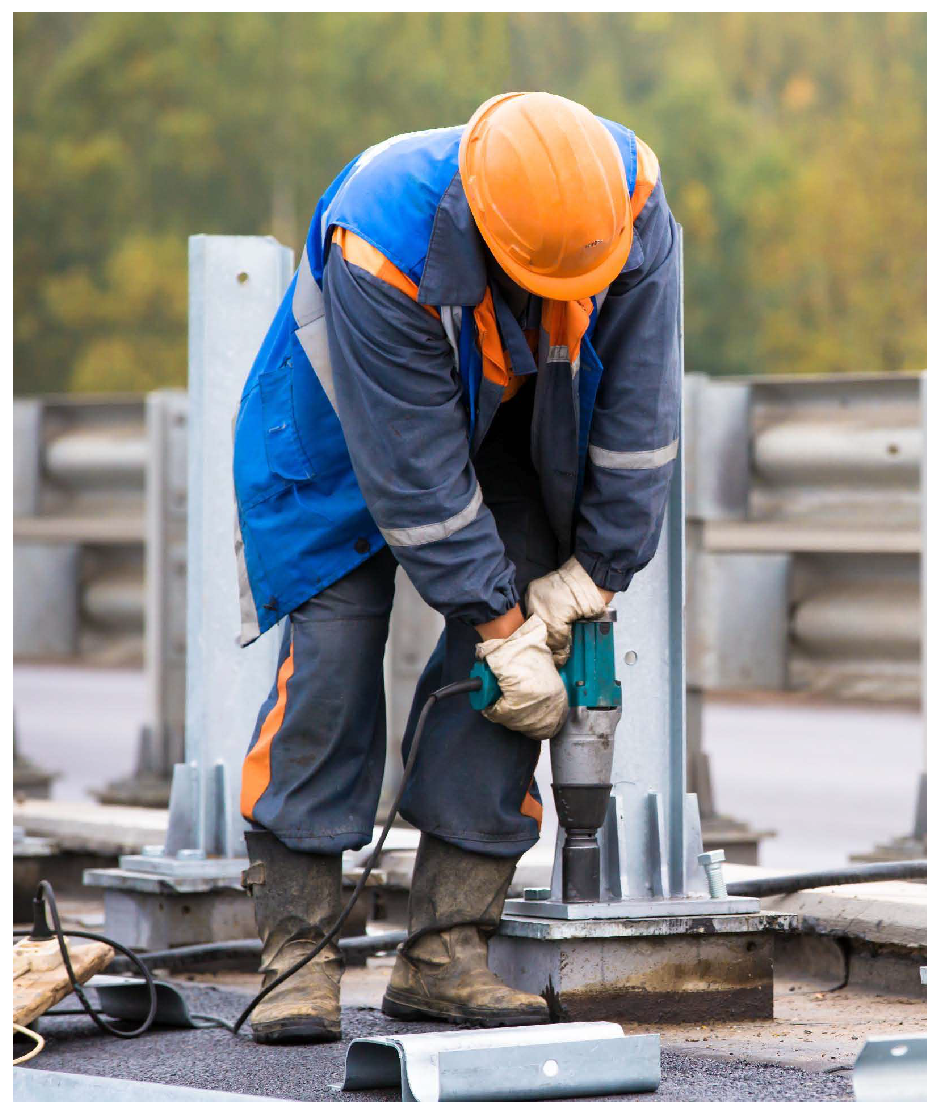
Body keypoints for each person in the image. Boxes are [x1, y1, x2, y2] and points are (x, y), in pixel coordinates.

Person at [229, 92, 679, 1043]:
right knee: (335, 667)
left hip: (512, 422)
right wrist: (496, 620)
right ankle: (296, 959)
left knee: (518, 671)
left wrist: (593, 575)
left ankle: (445, 953)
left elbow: (640, 420)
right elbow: (416, 476)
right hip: (337, 436)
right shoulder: (380, 232)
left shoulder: (631, 206)